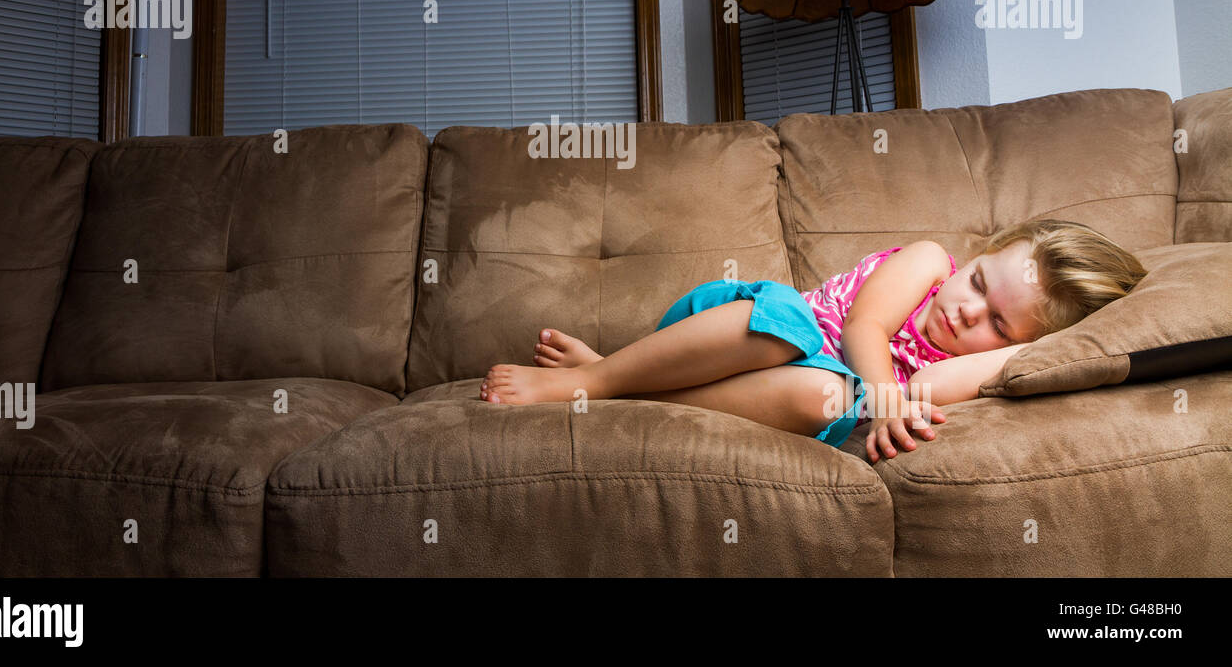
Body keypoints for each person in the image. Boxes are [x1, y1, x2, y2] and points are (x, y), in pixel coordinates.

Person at [479, 219, 1147, 462]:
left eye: (999, 324)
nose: (970, 313)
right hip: (738, 329)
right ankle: (595, 381)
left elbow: (927, 388)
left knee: (829, 397)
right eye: (978, 283)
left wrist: (1017, 353)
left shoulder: (967, 358)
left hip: (793, 392)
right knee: (790, 334)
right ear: (980, 253)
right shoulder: (928, 262)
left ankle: (624, 385)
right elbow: (863, 328)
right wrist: (884, 397)